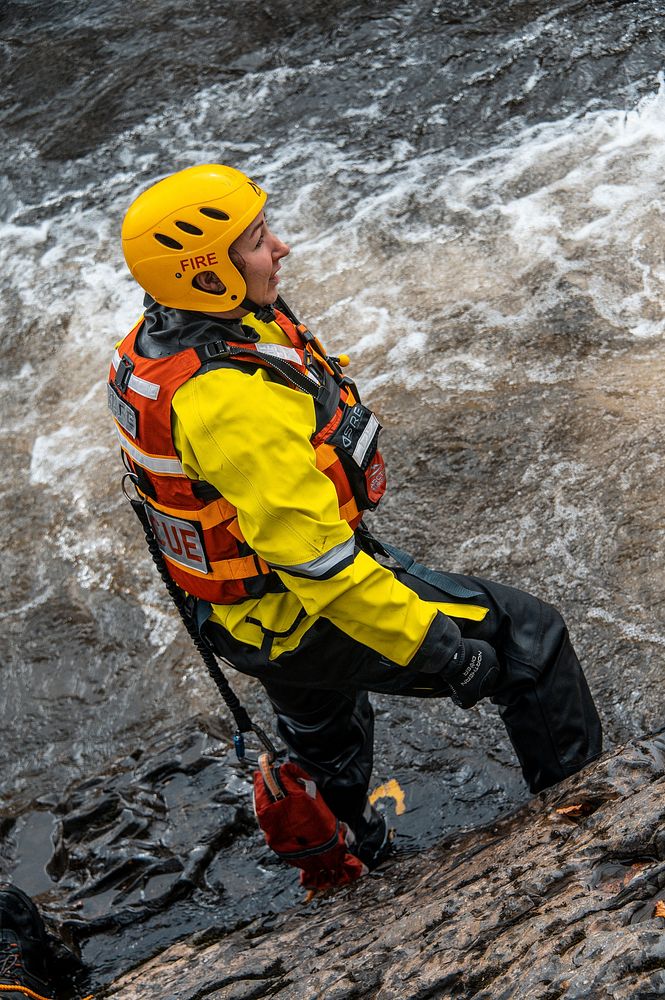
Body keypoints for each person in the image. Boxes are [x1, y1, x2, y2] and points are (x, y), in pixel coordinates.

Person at [109, 163, 602, 869]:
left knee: (322, 728)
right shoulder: (229, 401)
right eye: (255, 241)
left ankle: (340, 860)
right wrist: (437, 648)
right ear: (204, 271)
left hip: (245, 615)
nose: (279, 248)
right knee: (529, 643)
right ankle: (584, 830)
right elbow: (317, 565)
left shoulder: (161, 344)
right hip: (301, 610)